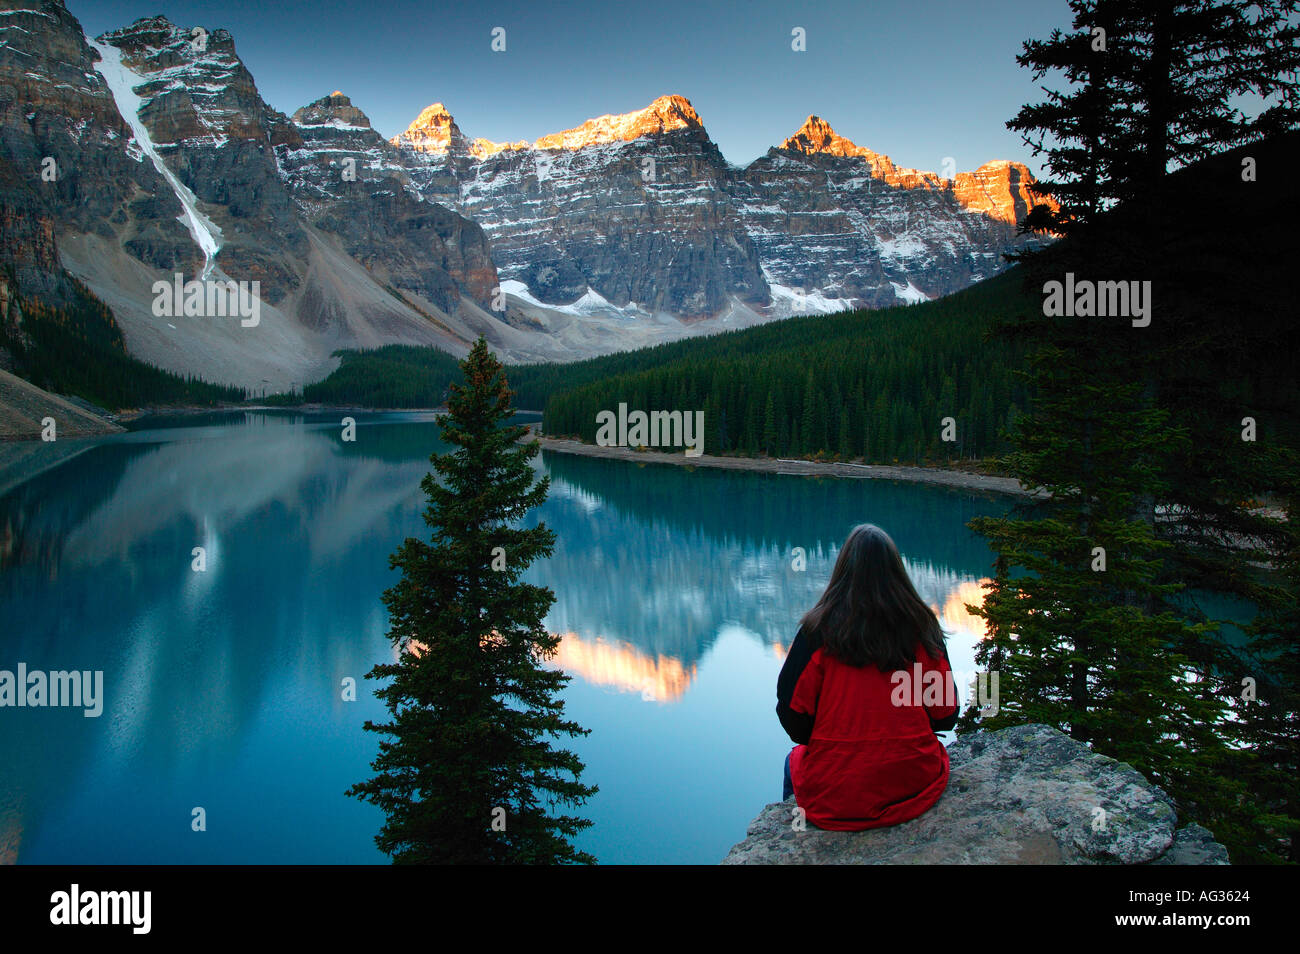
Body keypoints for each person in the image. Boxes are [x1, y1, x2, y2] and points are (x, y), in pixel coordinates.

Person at [776, 523, 958, 830]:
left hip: (835, 795)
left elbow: (793, 717)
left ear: (843, 571)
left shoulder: (816, 634)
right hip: (914, 787)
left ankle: (794, 837)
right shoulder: (922, 630)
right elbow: (945, 716)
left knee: (793, 761)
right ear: (896, 571)